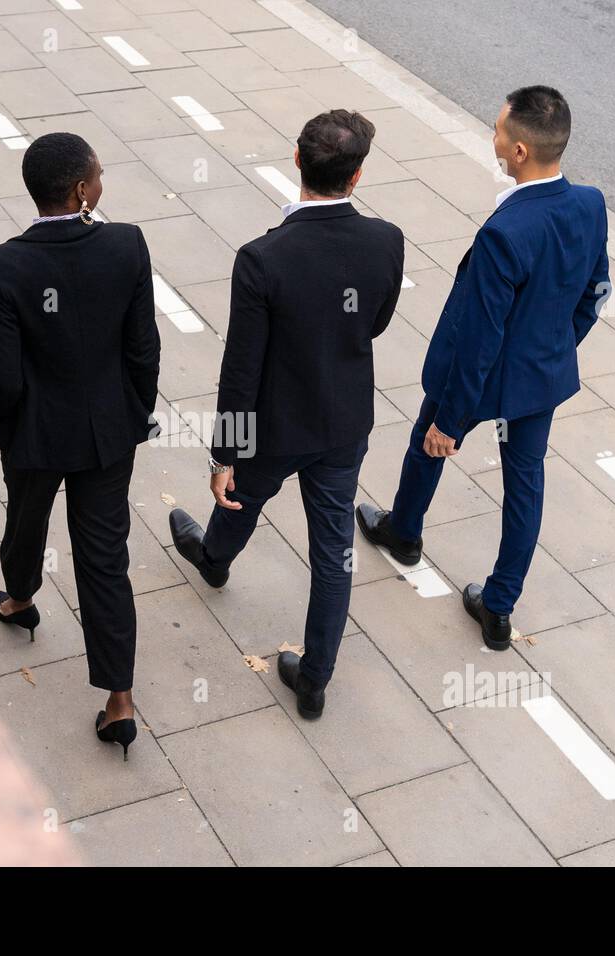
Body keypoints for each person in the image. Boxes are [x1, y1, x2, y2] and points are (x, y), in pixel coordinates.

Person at [168, 110, 404, 721]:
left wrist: (223, 453)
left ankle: (215, 561)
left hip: (274, 428)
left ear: (296, 160)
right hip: (343, 422)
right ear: (357, 177)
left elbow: (241, 370)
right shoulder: (386, 240)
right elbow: (374, 322)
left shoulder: (262, 258)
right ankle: (315, 679)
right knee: (333, 554)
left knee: (240, 498)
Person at [357, 85, 610, 650]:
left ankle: (404, 531)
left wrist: (453, 418)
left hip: (480, 378)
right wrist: (557, 345)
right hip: (541, 378)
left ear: (519, 151)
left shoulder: (505, 233)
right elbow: (595, 291)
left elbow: (480, 336)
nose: (492, 134)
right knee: (526, 487)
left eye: (498, 129)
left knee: (428, 441)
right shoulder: (590, 203)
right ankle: (498, 609)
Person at [0, 132, 160, 759]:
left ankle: (21, 597)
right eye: (100, 175)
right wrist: (136, 413)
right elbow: (143, 348)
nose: (103, 183)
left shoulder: (4, 264)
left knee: (26, 519)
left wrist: (0, 420)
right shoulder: (126, 245)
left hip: (35, 430)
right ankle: (119, 701)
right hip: (109, 431)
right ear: (82, 191)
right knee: (104, 558)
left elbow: (4, 374)